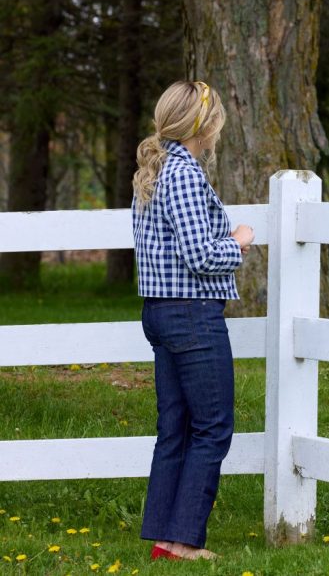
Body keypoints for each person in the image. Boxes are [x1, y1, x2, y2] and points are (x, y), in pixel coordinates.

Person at [131, 81, 254, 561]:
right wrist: (239, 241)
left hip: (163, 313)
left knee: (177, 427)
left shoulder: (154, 170)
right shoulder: (182, 173)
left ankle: (165, 539)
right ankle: (183, 541)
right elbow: (201, 254)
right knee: (213, 425)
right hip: (191, 315)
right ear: (206, 125)